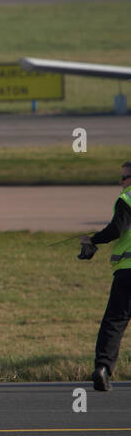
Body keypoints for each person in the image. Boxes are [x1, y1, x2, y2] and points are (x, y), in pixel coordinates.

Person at [81, 161, 131, 391]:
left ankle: (102, 368)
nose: (121, 182)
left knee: (114, 321)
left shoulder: (128, 197)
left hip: (128, 271)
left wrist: (93, 240)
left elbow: (116, 230)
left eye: (124, 177)